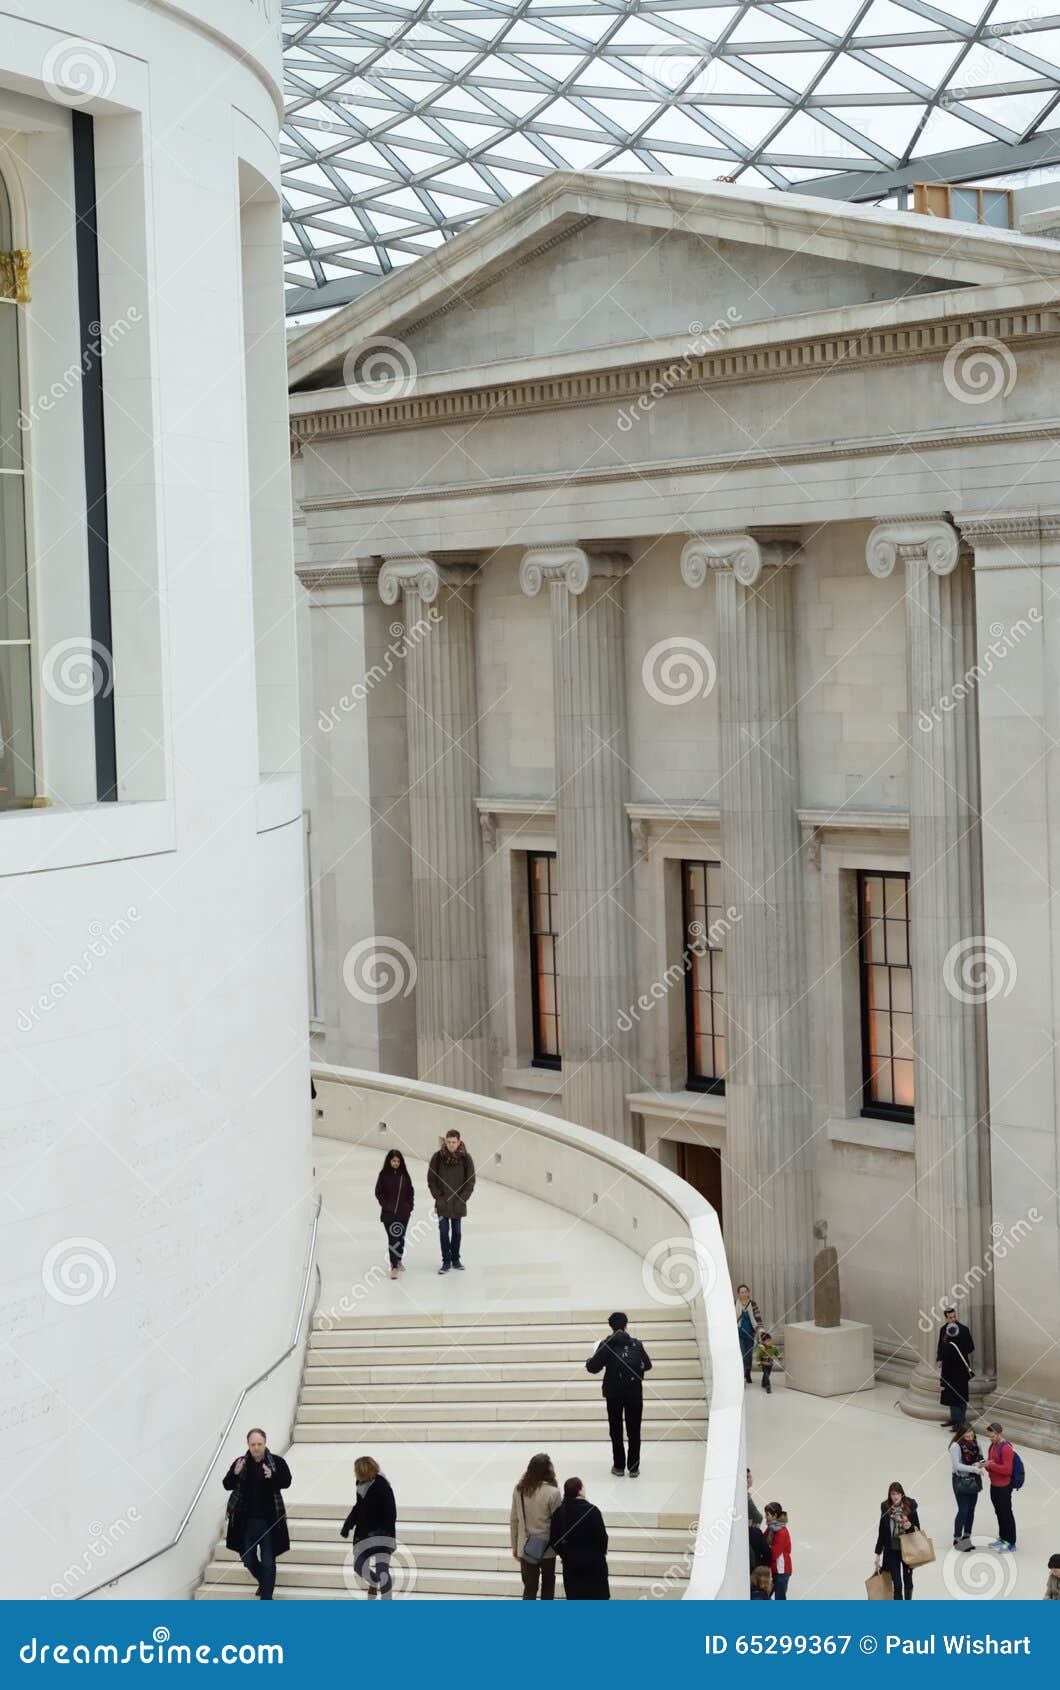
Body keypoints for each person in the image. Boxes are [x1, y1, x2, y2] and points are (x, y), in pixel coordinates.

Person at [222, 1428, 292, 1599]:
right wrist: (235, 1473)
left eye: (259, 1444)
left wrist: (272, 1476)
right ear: (248, 1444)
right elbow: (227, 1484)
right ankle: (264, 1581)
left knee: (268, 1561)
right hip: (246, 1522)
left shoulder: (276, 1461)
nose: (256, 1448)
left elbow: (287, 1481)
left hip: (269, 1521)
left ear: (265, 1443)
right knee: (247, 1559)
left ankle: (266, 1598)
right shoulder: (240, 1463)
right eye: (253, 1444)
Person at [586, 1312, 652, 1477]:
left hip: (613, 1394)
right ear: (626, 1325)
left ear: (611, 1326)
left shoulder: (607, 1344)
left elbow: (593, 1368)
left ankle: (618, 1466)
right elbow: (648, 1365)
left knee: (616, 1429)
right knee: (634, 1430)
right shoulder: (636, 1344)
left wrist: (590, 1360)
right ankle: (634, 1468)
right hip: (634, 1393)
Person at [340, 1455, 398, 1598]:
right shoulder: (360, 1484)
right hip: (364, 1534)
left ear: (365, 1471)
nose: (355, 1474)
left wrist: (382, 1533)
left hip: (383, 1536)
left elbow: (391, 1513)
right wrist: (348, 1525)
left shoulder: (382, 1486)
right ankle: (375, 1582)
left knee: (382, 1570)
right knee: (359, 1566)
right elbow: (359, 1507)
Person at [510, 1453, 561, 1599]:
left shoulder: (519, 1490)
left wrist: (515, 1546)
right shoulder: (553, 1493)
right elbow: (558, 1523)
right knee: (547, 1587)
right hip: (548, 1548)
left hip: (526, 1547)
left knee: (529, 1587)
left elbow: (514, 1519)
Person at [548, 1477, 610, 1600]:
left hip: (571, 1565)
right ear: (580, 1490)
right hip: (594, 1564)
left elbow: (554, 1540)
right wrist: (600, 1553)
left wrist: (564, 1555)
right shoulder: (593, 1510)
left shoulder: (559, 1513)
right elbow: (603, 1538)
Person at [427, 1128, 475, 1274]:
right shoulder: (437, 1157)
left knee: (457, 1232)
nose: (451, 1145)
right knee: (443, 1232)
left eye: (454, 1142)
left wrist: (462, 1199)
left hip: (458, 1204)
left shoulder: (466, 1158)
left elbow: (470, 1181)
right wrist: (438, 1197)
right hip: (442, 1203)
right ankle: (446, 1262)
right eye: (448, 1142)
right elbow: (431, 1180)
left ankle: (455, 1259)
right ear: (445, 1141)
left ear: (459, 1142)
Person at [874, 1482, 921, 1600]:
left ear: (902, 1494)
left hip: (908, 1549)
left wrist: (909, 1526)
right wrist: (878, 1553)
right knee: (897, 1584)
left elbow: (917, 1530)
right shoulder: (886, 1509)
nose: (895, 1496)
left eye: (898, 1493)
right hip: (892, 1550)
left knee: (908, 1581)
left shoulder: (910, 1507)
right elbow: (882, 1532)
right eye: (893, 1493)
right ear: (890, 1495)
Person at [374, 1148, 414, 1279]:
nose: (396, 1163)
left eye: (398, 1161)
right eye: (393, 1160)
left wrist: (409, 1207)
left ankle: (398, 1259)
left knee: (400, 1238)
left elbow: (410, 1192)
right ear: (389, 1161)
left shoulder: (405, 1176)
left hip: (403, 1214)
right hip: (389, 1215)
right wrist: (387, 1205)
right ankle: (394, 1266)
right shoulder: (384, 1175)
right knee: (393, 1239)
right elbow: (378, 1192)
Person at [936, 1305, 975, 1430]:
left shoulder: (963, 1329)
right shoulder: (943, 1330)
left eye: (954, 1316)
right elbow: (940, 1346)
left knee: (961, 1394)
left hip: (960, 1367)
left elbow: (970, 1347)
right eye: (950, 1318)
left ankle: (960, 1422)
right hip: (948, 1367)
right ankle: (954, 1419)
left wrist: (958, 1341)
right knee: (950, 1393)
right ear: (946, 1318)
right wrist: (939, 1359)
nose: (953, 1319)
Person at [983, 1422, 1018, 1551]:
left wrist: (991, 1465)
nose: (990, 1439)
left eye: (992, 1436)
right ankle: (1003, 1537)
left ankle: (1011, 1542)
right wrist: (986, 1465)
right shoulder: (992, 1446)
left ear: (999, 1434)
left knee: (1006, 1513)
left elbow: (1007, 1470)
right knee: (999, 1512)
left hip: (1004, 1486)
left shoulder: (1006, 1448)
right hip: (994, 1485)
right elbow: (991, 1463)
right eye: (989, 1436)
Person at [949, 1425, 984, 1551]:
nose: (970, 1438)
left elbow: (981, 1458)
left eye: (972, 1435)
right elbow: (957, 1465)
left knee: (971, 1510)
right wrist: (974, 1469)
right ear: (961, 1434)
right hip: (960, 1481)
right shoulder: (955, 1446)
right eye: (967, 1435)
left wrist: (980, 1464)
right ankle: (957, 1538)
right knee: (963, 1509)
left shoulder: (975, 1444)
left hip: (973, 1480)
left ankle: (966, 1537)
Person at [763, 1502, 792, 1600]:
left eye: (767, 1514)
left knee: (780, 1598)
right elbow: (763, 1540)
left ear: (775, 1515)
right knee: (765, 1595)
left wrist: (765, 1547)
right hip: (773, 1569)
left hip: (781, 1571)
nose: (765, 1517)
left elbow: (774, 1554)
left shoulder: (782, 1532)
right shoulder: (771, 1528)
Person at [735, 1285, 762, 1385]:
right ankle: (740, 1375)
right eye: (742, 1292)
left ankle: (748, 1373)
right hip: (738, 1333)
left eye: (745, 1291)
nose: (744, 1294)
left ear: (748, 1292)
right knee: (742, 1354)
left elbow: (757, 1317)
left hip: (750, 1333)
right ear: (738, 1294)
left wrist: (760, 1330)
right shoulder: (735, 1303)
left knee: (749, 1355)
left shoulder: (753, 1304)